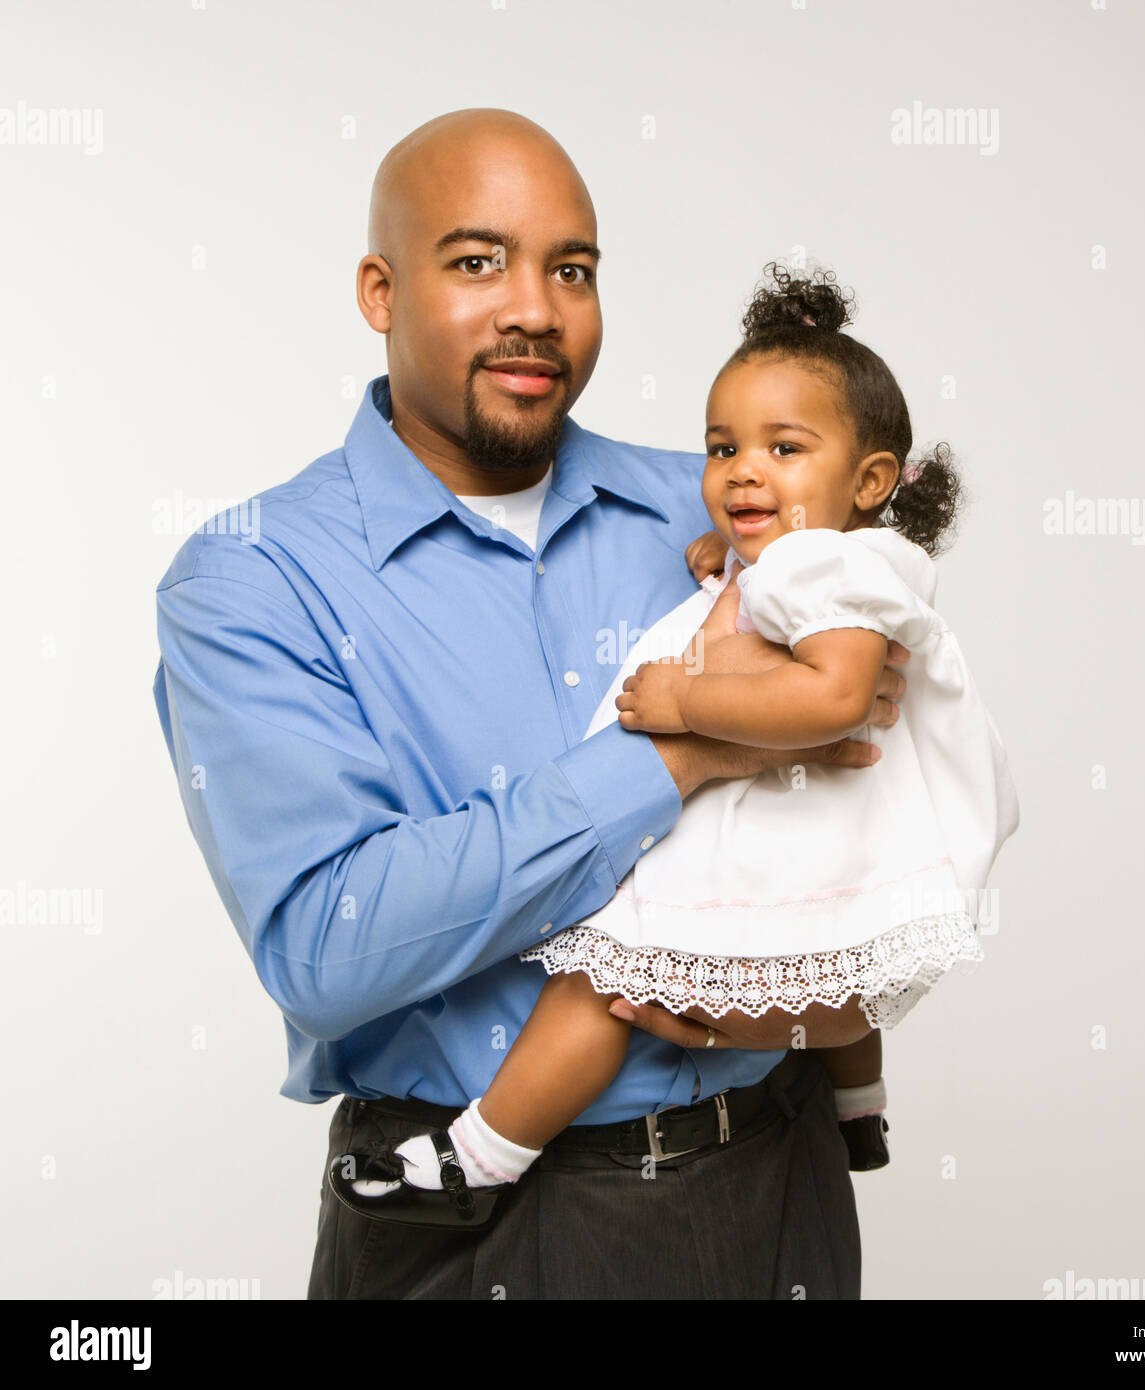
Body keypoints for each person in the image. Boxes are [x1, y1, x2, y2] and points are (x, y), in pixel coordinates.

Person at [153, 108, 914, 1300]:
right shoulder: (254, 575)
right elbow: (326, 947)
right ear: (378, 290)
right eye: (474, 262)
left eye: (572, 270)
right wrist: (675, 757)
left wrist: (810, 1016)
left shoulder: (719, 512)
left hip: (771, 1179)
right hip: (474, 1224)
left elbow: (872, 761)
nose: (534, 309)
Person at [338, 265, 1019, 1212]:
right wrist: (730, 555)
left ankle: (487, 1148)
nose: (743, 470)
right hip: (847, 824)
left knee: (601, 972)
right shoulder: (844, 554)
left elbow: (832, 699)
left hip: (785, 805)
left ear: (868, 480)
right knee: (836, 933)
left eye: (784, 448)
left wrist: (687, 706)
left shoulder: (819, 569)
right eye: (721, 447)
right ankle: (858, 1105)